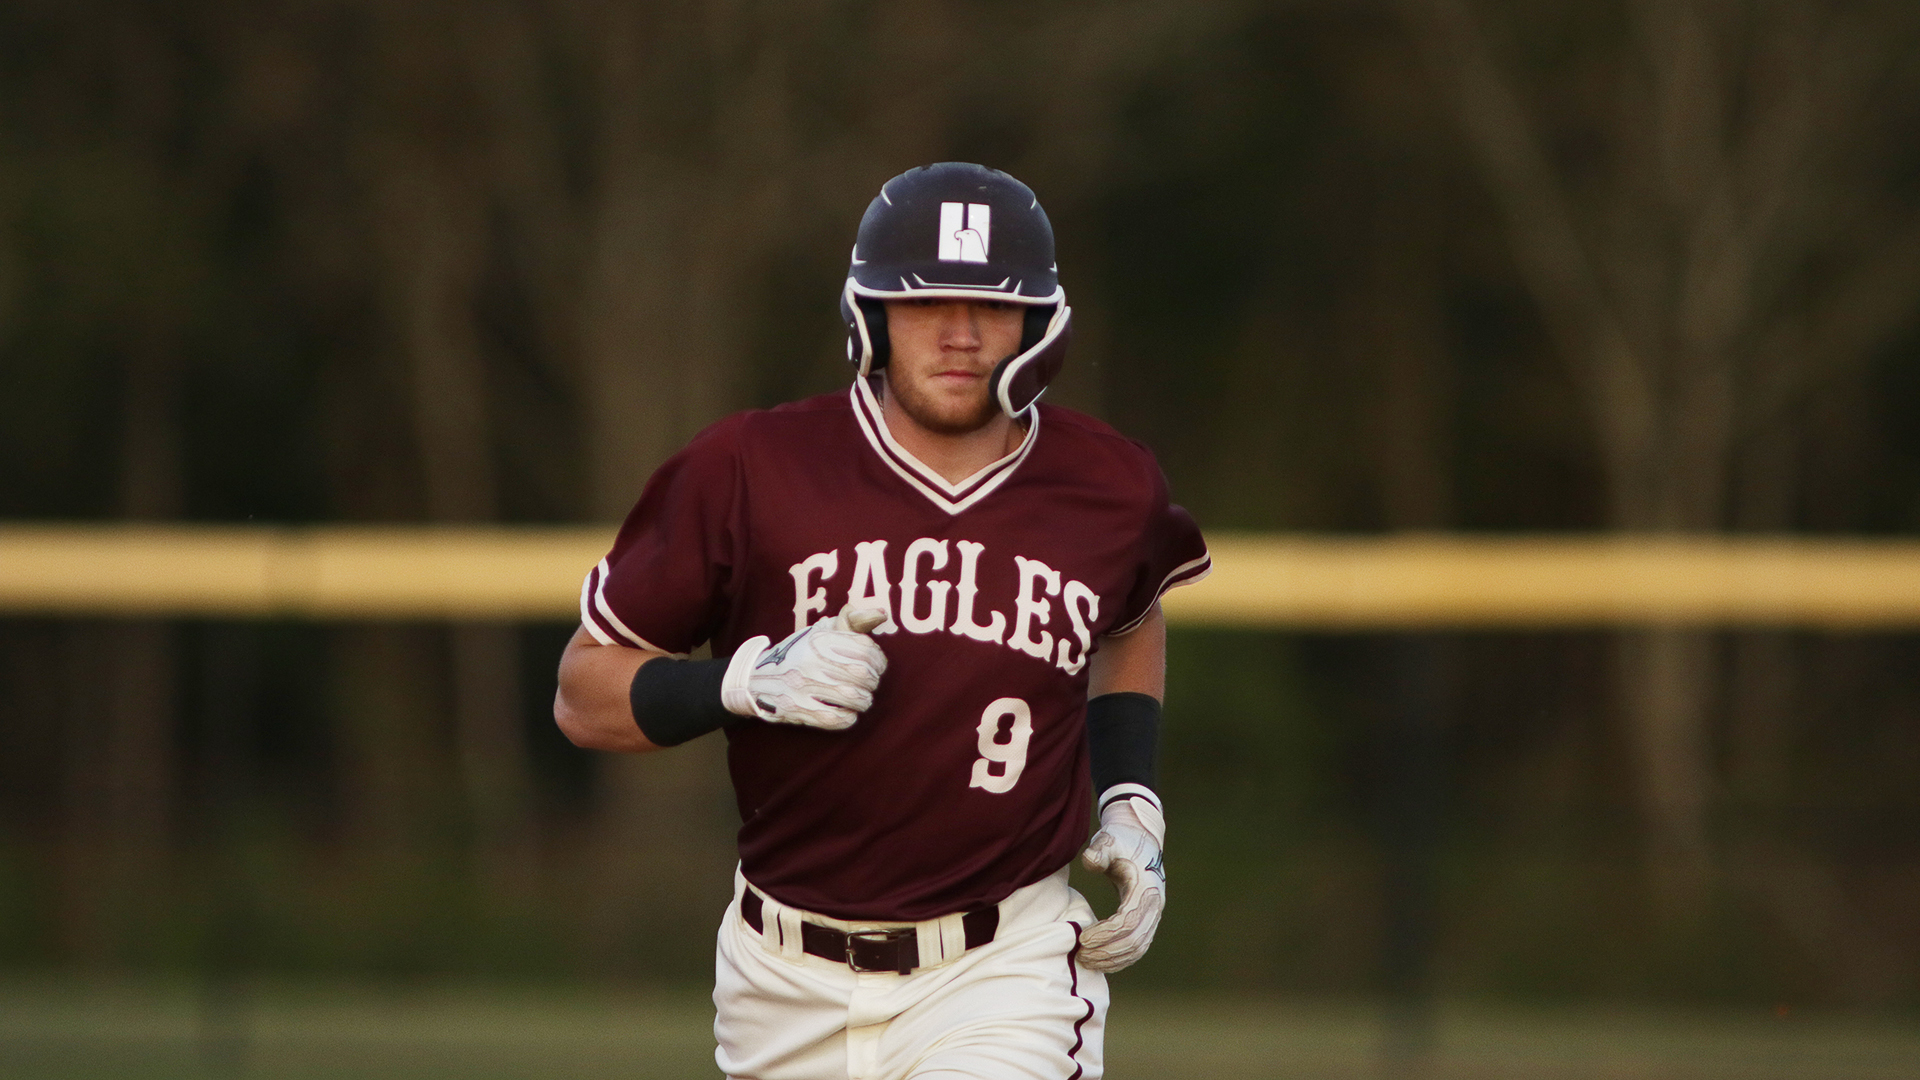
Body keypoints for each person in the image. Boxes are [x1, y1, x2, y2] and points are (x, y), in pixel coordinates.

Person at [554, 161, 1209, 1080]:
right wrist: (743, 683)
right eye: (924, 300)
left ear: (1041, 323)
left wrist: (1132, 801)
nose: (961, 333)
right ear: (869, 312)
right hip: (778, 977)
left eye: (994, 303)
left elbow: (1131, 618)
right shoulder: (748, 468)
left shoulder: (1109, 486)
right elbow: (585, 695)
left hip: (1003, 965)